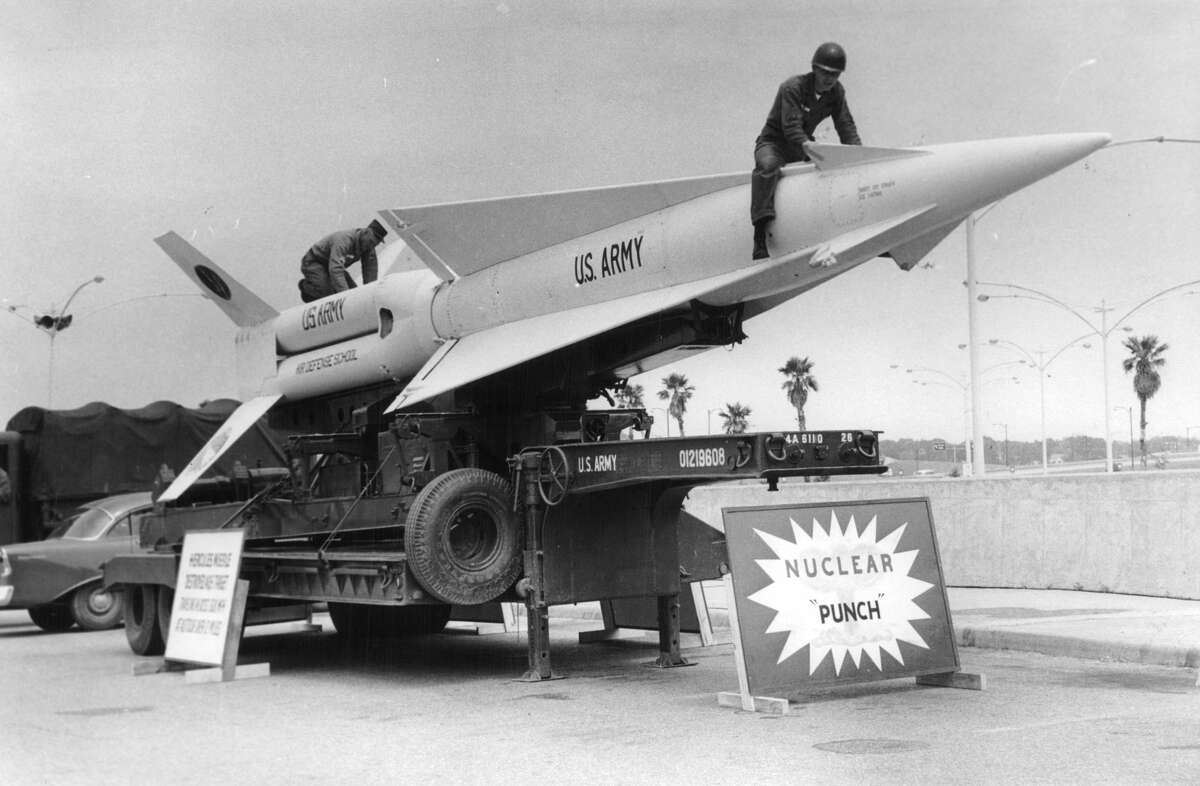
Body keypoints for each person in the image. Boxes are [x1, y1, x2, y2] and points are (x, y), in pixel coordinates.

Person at [751, 42, 862, 260]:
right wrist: (808, 146)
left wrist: (859, 156)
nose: (829, 79)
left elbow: (846, 126)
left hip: (802, 145)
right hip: (774, 143)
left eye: (835, 74)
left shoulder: (836, 92)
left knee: (827, 173)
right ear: (814, 69)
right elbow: (790, 127)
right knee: (768, 166)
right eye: (825, 72)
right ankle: (759, 233)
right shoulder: (792, 87)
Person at [297, 220, 387, 303]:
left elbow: (370, 272)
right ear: (365, 232)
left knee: (355, 292)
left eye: (376, 244)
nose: (372, 245)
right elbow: (335, 270)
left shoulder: (368, 245)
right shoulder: (344, 240)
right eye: (371, 241)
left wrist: (369, 295)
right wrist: (346, 297)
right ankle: (306, 287)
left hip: (332, 264)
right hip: (314, 262)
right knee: (328, 292)